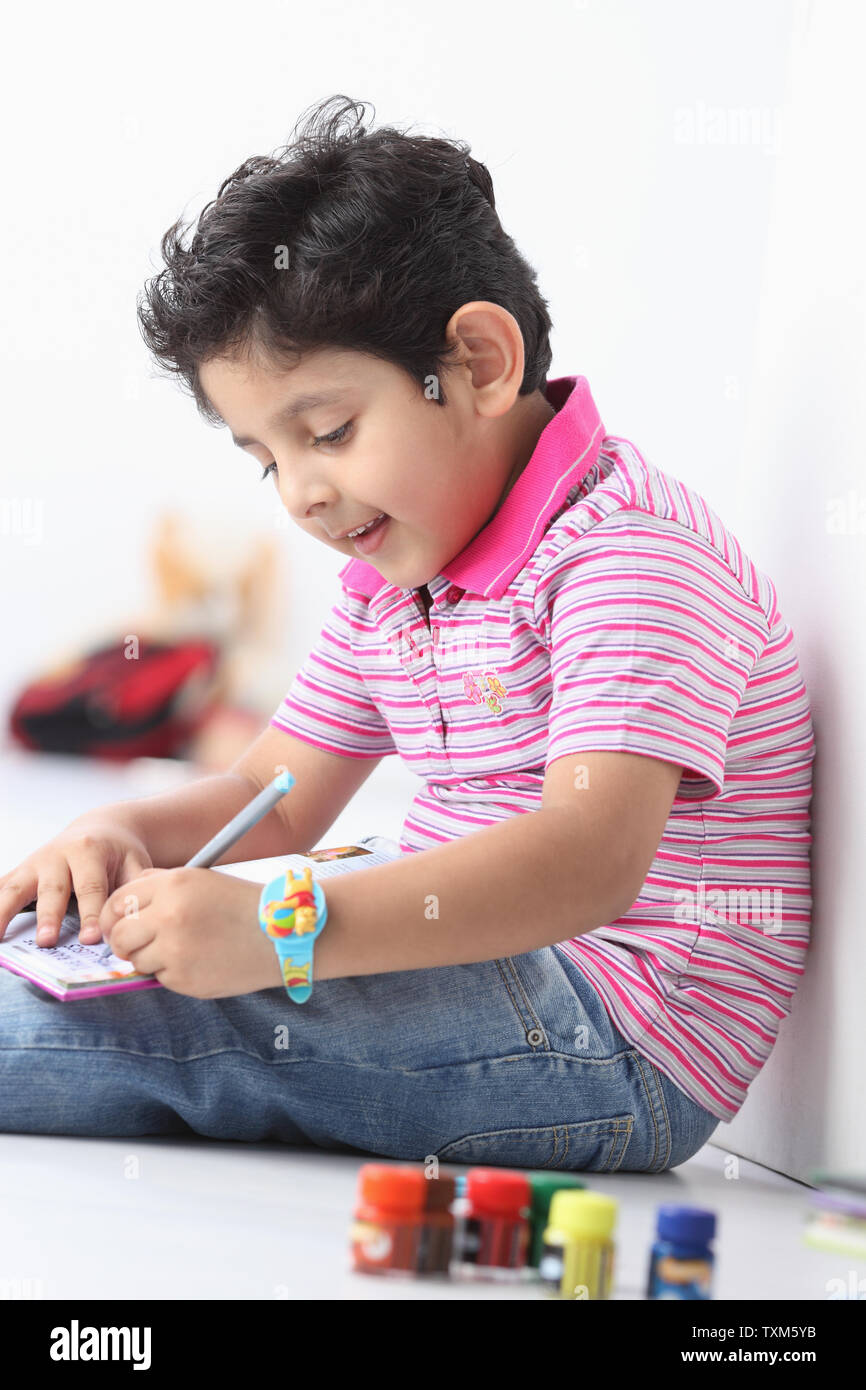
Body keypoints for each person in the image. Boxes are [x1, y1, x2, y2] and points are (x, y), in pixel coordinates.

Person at [0, 95, 814, 1171]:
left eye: (328, 432)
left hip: (615, 1036)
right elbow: (274, 794)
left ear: (477, 362)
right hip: (494, 970)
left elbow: (583, 863)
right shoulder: (400, 571)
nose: (298, 493)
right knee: (85, 956)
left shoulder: (630, 557)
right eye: (264, 456)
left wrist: (277, 933)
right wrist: (122, 836)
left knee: (157, 1022)